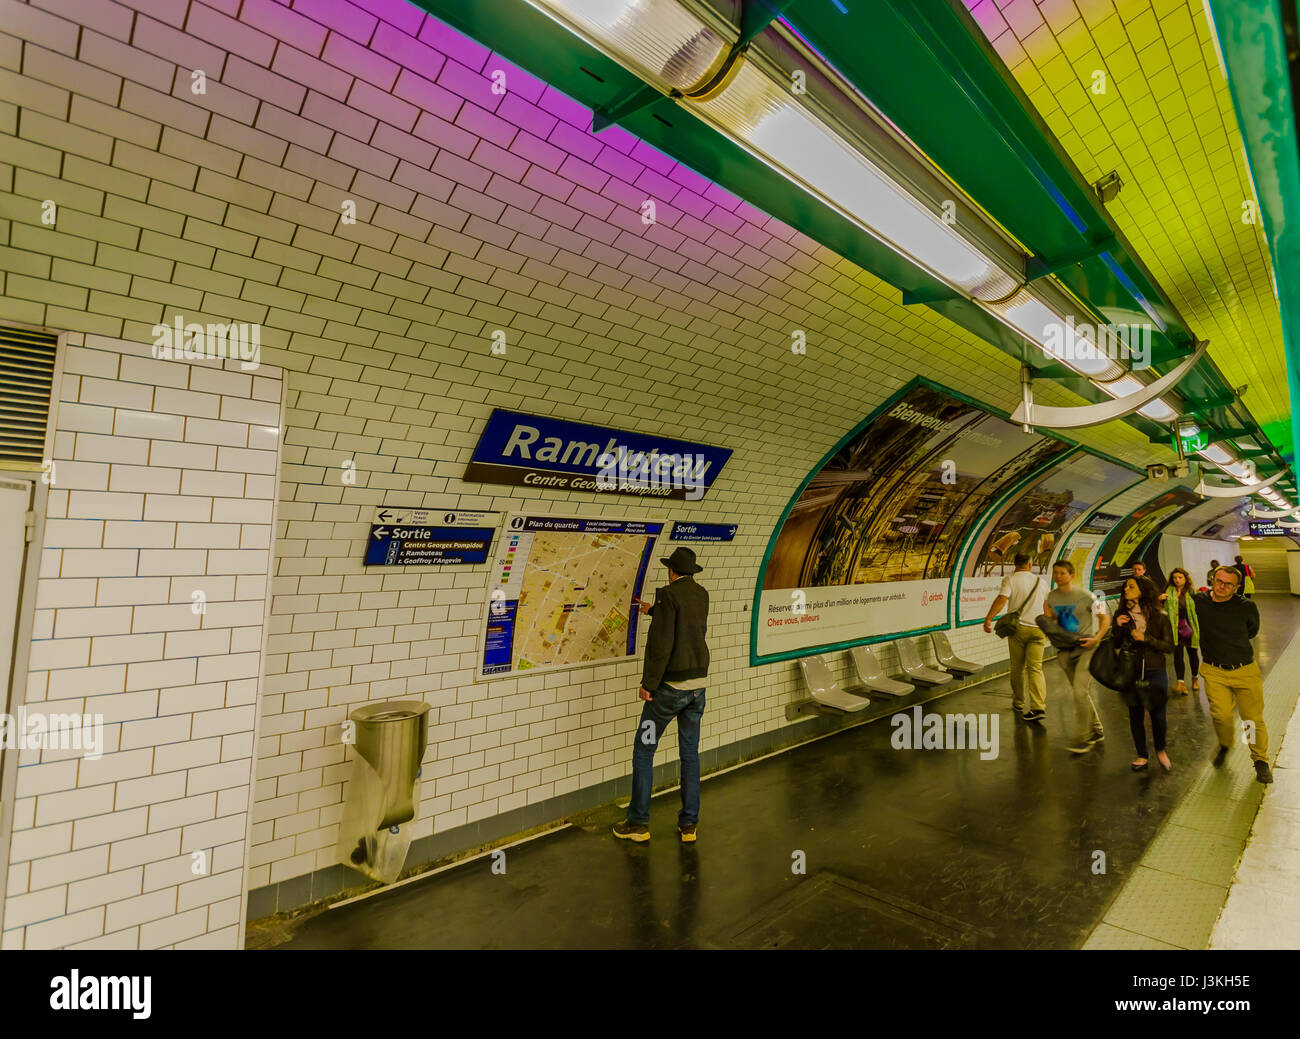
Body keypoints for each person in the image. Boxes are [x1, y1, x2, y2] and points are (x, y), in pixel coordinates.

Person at [614, 547, 710, 842]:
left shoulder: (668, 596)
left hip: (667, 693)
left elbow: (661, 646)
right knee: (689, 755)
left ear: (671, 572)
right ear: (691, 572)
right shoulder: (701, 594)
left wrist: (648, 685)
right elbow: (685, 621)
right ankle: (688, 825)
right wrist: (652, 610)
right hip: (697, 690)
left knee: (643, 751)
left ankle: (639, 824)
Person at [1195, 567, 1271, 783]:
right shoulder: (1199, 601)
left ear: (1237, 587)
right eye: (1218, 581)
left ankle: (1260, 760)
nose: (1221, 586)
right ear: (1212, 579)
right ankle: (1225, 745)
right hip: (1214, 670)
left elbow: (1252, 631)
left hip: (1244, 670)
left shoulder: (1246, 606)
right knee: (1221, 715)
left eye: (1228, 584)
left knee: (1252, 720)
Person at [1040, 559, 1108, 753]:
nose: (1058, 576)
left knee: (1079, 692)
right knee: (1081, 693)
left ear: (1071, 576)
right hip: (1065, 651)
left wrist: (1097, 638)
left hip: (1087, 647)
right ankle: (1097, 730)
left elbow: (1104, 618)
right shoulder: (1052, 597)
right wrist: (1047, 621)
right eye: (1055, 573)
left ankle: (1083, 737)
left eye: (1062, 573)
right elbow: (1053, 619)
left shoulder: (1085, 596)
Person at [1113, 575, 1175, 773]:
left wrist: (1145, 638)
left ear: (1143, 590)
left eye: (1131, 586)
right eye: (1125, 587)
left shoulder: (1160, 616)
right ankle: (1142, 754)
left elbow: (1168, 646)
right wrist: (1117, 627)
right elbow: (1115, 644)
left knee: (1158, 716)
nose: (1126, 589)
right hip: (1131, 671)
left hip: (1155, 670)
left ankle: (1161, 750)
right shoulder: (1122, 614)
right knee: (1135, 715)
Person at [984, 553, 1048, 722]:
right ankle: (1038, 707)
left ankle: (1019, 702)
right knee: (1036, 668)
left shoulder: (1010, 580)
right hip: (1038, 629)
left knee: (1017, 667)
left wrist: (989, 618)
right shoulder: (1041, 582)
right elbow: (1047, 605)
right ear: (1030, 564)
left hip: (1018, 629)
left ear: (1015, 565)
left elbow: (1002, 599)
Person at [1163, 567, 1200, 695]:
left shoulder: (1191, 592)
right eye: (1175, 578)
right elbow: (1161, 609)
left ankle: (1195, 678)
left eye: (1180, 577)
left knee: (1193, 654)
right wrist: (1160, 599)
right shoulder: (1168, 591)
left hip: (1189, 627)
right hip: (1174, 628)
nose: (1177, 580)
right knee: (1178, 656)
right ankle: (1181, 682)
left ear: (1185, 578)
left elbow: (1197, 609)